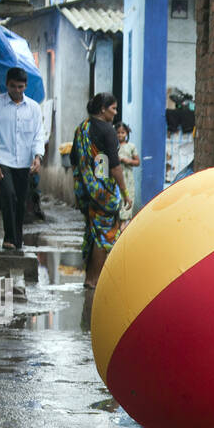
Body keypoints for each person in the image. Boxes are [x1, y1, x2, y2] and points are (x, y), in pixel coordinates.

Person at [72, 93, 132, 289]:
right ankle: (93, 279)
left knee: (91, 231)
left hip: (84, 190)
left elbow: (74, 159)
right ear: (102, 109)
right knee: (104, 234)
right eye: (113, 108)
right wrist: (124, 192)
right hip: (102, 192)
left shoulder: (82, 129)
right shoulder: (107, 130)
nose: (115, 113)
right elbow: (113, 166)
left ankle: (89, 277)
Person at [0, 67, 46, 251]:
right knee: (8, 195)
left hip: (24, 162)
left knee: (20, 200)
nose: (17, 90)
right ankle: (9, 238)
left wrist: (38, 157)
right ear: (7, 85)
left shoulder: (34, 108)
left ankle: (17, 239)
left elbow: (38, 134)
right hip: (3, 160)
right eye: (13, 86)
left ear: (25, 86)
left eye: (20, 87)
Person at [115, 122, 140, 231]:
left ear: (127, 133)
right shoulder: (113, 146)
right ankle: (118, 225)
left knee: (127, 201)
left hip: (127, 178)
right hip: (116, 178)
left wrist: (127, 160)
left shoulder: (131, 147)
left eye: (122, 133)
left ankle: (123, 227)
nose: (120, 135)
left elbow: (137, 162)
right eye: (118, 133)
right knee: (117, 200)